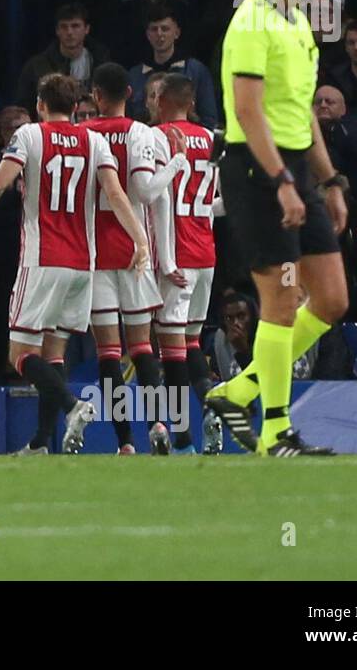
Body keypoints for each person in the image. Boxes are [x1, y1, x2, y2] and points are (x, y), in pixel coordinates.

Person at [209, 0, 350, 456]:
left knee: (332, 298)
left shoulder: (295, 23)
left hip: (294, 172)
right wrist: (283, 183)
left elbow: (301, 114)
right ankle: (275, 432)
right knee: (282, 299)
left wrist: (329, 179)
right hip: (257, 172)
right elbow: (248, 112)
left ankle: (237, 390)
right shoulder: (250, 23)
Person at [0, 72, 148, 455]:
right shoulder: (94, 141)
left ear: (40, 105)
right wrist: (140, 238)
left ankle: (72, 405)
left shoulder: (29, 135)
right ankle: (42, 443)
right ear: (77, 107)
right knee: (54, 353)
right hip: (83, 265)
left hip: (43, 260)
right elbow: (115, 192)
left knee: (21, 355)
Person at [86, 62, 184, 455]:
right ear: (131, 93)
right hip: (134, 252)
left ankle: (125, 442)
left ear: (95, 96)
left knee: (108, 353)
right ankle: (158, 422)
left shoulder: (83, 135)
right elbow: (145, 192)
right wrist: (175, 163)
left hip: (94, 254)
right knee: (143, 347)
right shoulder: (141, 133)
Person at [151, 74, 223, 454]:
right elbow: (222, 203)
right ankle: (212, 403)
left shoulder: (158, 137)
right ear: (192, 103)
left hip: (174, 257)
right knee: (192, 342)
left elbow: (154, 194)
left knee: (172, 350)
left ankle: (182, 441)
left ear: (162, 99)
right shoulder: (212, 139)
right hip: (206, 255)